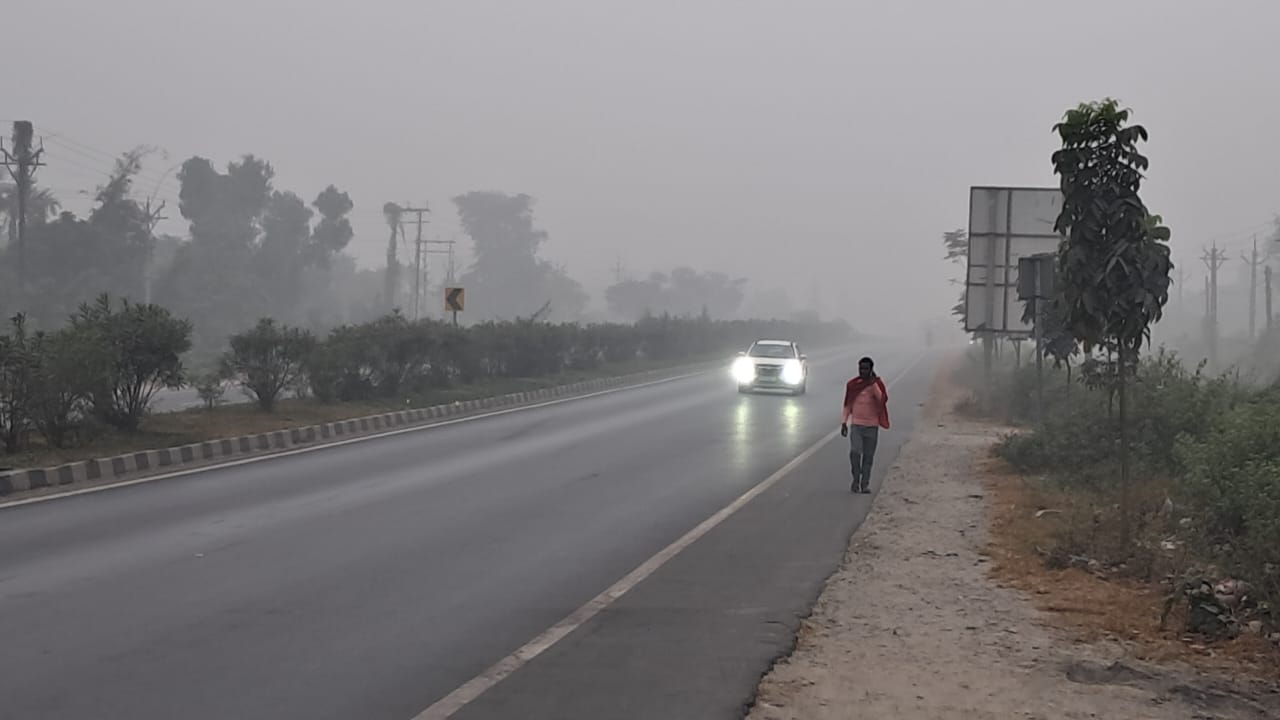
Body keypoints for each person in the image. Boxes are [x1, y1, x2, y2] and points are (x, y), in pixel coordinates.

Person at [840, 356, 890, 494]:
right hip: (856, 425)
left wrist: (873, 384)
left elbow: (881, 400)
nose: (863, 371)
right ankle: (856, 477)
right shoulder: (853, 385)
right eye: (861, 368)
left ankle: (864, 484)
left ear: (871, 369)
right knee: (855, 452)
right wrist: (844, 422)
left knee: (868, 457)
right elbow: (847, 405)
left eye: (866, 369)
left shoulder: (876, 384)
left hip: (872, 427)